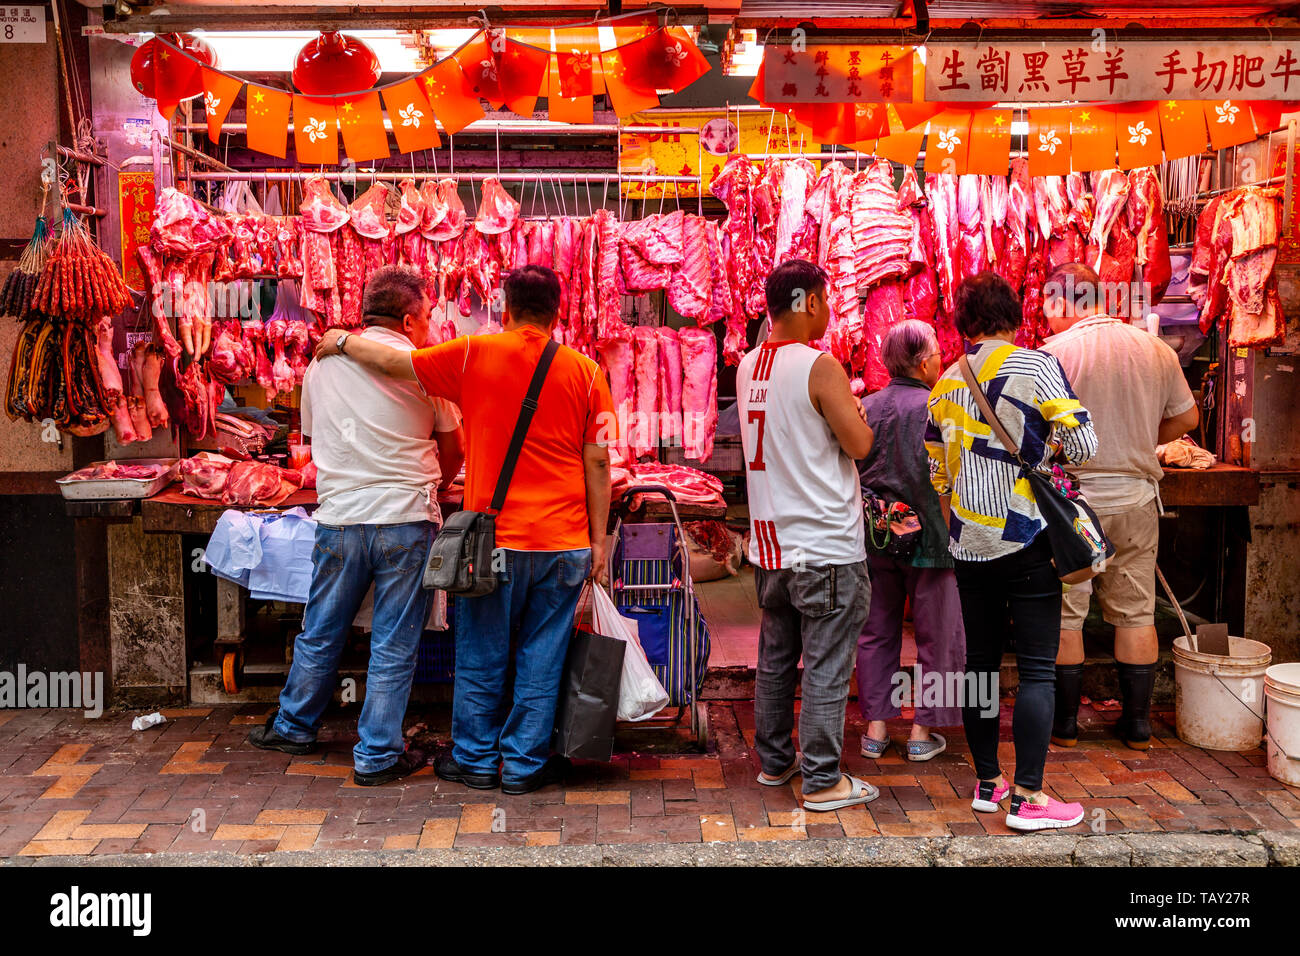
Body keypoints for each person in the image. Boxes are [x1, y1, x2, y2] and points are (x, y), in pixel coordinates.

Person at [314, 264, 614, 795]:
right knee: (543, 657)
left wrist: (340, 341)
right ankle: (522, 766)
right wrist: (598, 541)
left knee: (481, 651)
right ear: (557, 311)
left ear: (506, 308)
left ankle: (475, 759)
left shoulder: (475, 353)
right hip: (563, 541)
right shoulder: (588, 373)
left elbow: (392, 358)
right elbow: (597, 463)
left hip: (493, 541)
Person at [249, 264, 465, 787]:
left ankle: (294, 725)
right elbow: (454, 449)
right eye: (431, 315)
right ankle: (376, 756)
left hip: (340, 519)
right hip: (405, 521)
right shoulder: (423, 367)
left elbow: (314, 438)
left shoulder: (320, 366)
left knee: (320, 631)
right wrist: (434, 484)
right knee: (393, 641)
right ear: (411, 320)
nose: (433, 324)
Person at [925, 271, 1099, 832]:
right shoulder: (1036, 364)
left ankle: (986, 783)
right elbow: (1084, 445)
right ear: (1014, 314)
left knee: (979, 666)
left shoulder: (946, 382)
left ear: (964, 322)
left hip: (969, 547)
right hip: (1025, 538)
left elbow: (938, 474)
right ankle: (1027, 797)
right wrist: (1042, 455)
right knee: (1037, 670)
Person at [736, 259, 877, 813]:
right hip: (824, 546)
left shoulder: (748, 365)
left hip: (771, 546)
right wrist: (859, 415)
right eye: (827, 299)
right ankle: (822, 781)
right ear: (809, 303)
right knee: (825, 663)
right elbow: (860, 444)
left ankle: (775, 763)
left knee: (776, 657)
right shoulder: (821, 367)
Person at [1040, 262, 1199, 750]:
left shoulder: (1052, 354)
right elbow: (1187, 417)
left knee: (1067, 613)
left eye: (1047, 306)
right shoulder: (1155, 350)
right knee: (1135, 613)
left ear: (1064, 300)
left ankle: (1065, 728)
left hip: (1074, 506)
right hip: (1135, 501)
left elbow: (1038, 434)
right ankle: (1137, 727)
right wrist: (1141, 438)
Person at [856, 320, 965, 762]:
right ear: (924, 363)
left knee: (875, 632)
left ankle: (876, 729)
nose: (941, 359)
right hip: (935, 542)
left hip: (876, 538)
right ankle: (923, 730)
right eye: (938, 353)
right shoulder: (941, 405)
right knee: (939, 635)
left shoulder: (866, 406)